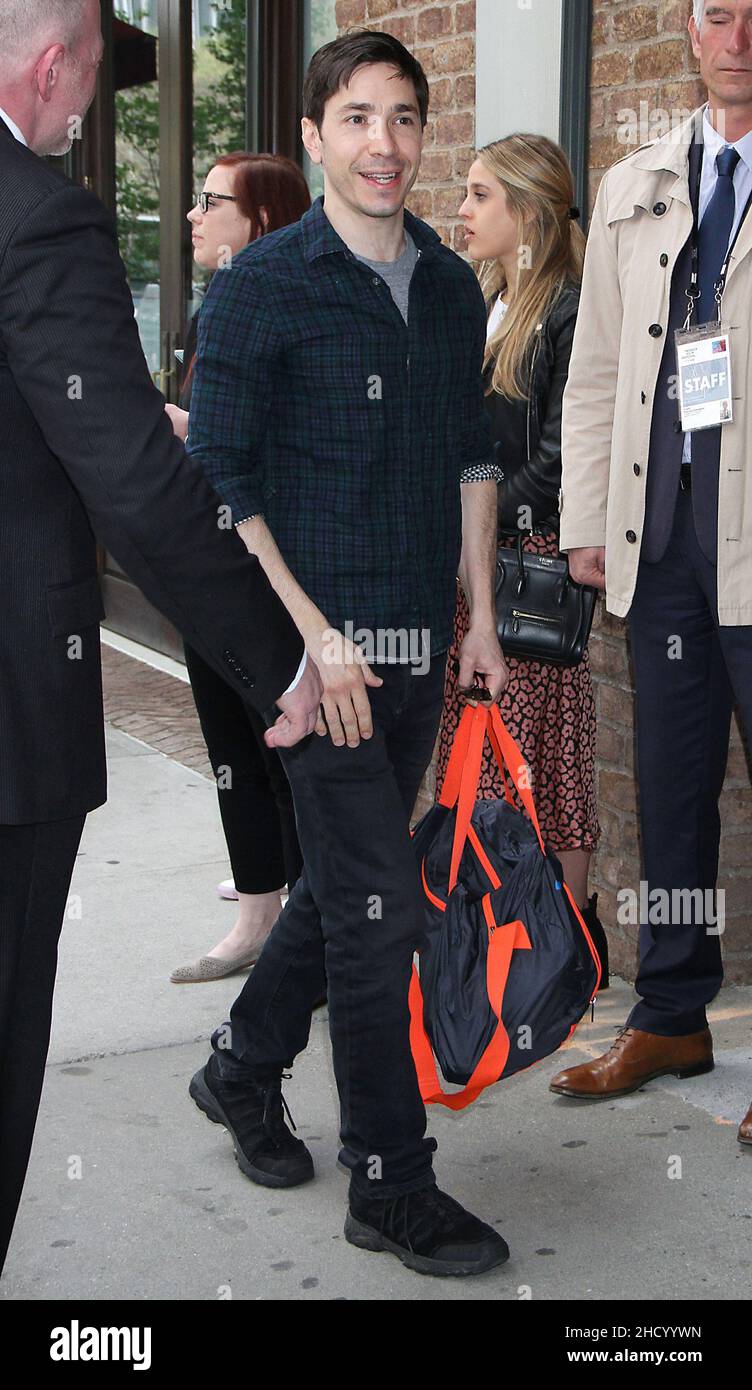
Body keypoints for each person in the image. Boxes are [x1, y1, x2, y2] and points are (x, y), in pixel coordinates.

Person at [0, 0, 321, 1277]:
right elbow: (138, 481)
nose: (87, 119)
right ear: (51, 65)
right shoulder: (40, 216)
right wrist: (282, 661)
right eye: (86, 84)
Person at [187, 29, 513, 1277]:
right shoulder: (263, 284)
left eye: (407, 119)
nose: (386, 143)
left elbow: (471, 455)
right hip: (313, 663)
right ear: (316, 135)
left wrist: (478, 615)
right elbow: (222, 477)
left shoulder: (442, 282)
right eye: (359, 118)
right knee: (376, 913)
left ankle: (240, 1066)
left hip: (417, 652)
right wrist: (310, 636)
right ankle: (388, 1179)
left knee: (344, 885)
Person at [551, 0, 752, 1149]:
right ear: (687, 29)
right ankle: (672, 1011)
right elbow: (590, 377)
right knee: (669, 803)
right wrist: (589, 518)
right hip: (662, 548)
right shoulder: (636, 181)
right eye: (718, 11)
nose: (738, 32)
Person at [436, 133, 607, 981]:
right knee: (488, 755)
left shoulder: (568, 308)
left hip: (528, 565)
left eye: (478, 195)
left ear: (527, 211)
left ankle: (569, 944)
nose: (462, 212)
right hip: (482, 560)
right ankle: (500, 942)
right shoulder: (488, 299)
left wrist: (484, 513)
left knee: (545, 756)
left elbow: (562, 454)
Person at [169, 154, 312, 983]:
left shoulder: (281, 304)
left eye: (211, 201)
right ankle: (263, 905)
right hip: (210, 555)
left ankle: (294, 914)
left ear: (260, 220)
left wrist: (194, 429)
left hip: (270, 565)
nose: (193, 214)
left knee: (277, 747)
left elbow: (287, 437)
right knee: (233, 737)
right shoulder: (214, 300)